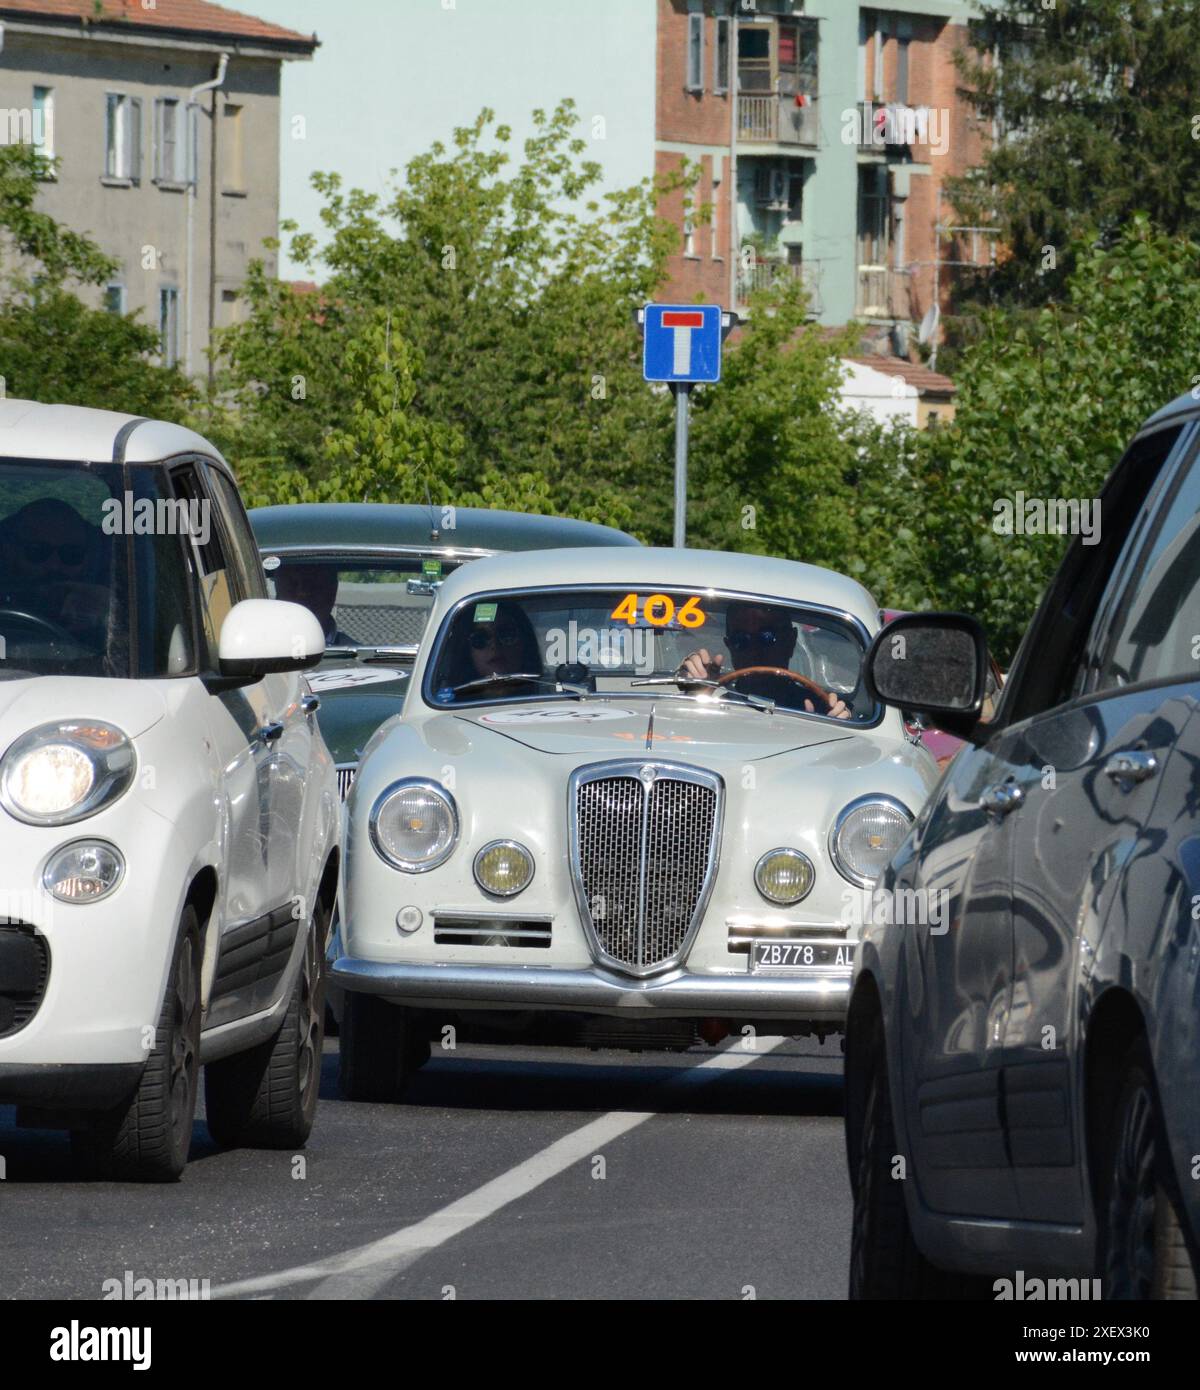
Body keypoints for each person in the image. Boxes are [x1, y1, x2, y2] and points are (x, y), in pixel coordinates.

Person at [677, 601, 851, 718]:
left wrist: (837, 719)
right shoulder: (712, 703)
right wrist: (695, 694)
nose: (754, 649)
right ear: (729, 645)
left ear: (790, 641)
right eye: (741, 639)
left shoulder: (820, 707)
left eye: (767, 637)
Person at [0, 498, 108, 646]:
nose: (54, 565)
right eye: (38, 551)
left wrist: (109, 616)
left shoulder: (110, 609)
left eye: (72, 554)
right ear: (10, 553)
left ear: (89, 560)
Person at [273, 564, 357, 646]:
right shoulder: (261, 651)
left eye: (312, 584)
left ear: (332, 591)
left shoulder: (360, 656)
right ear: (278, 595)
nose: (303, 593)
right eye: (292, 583)